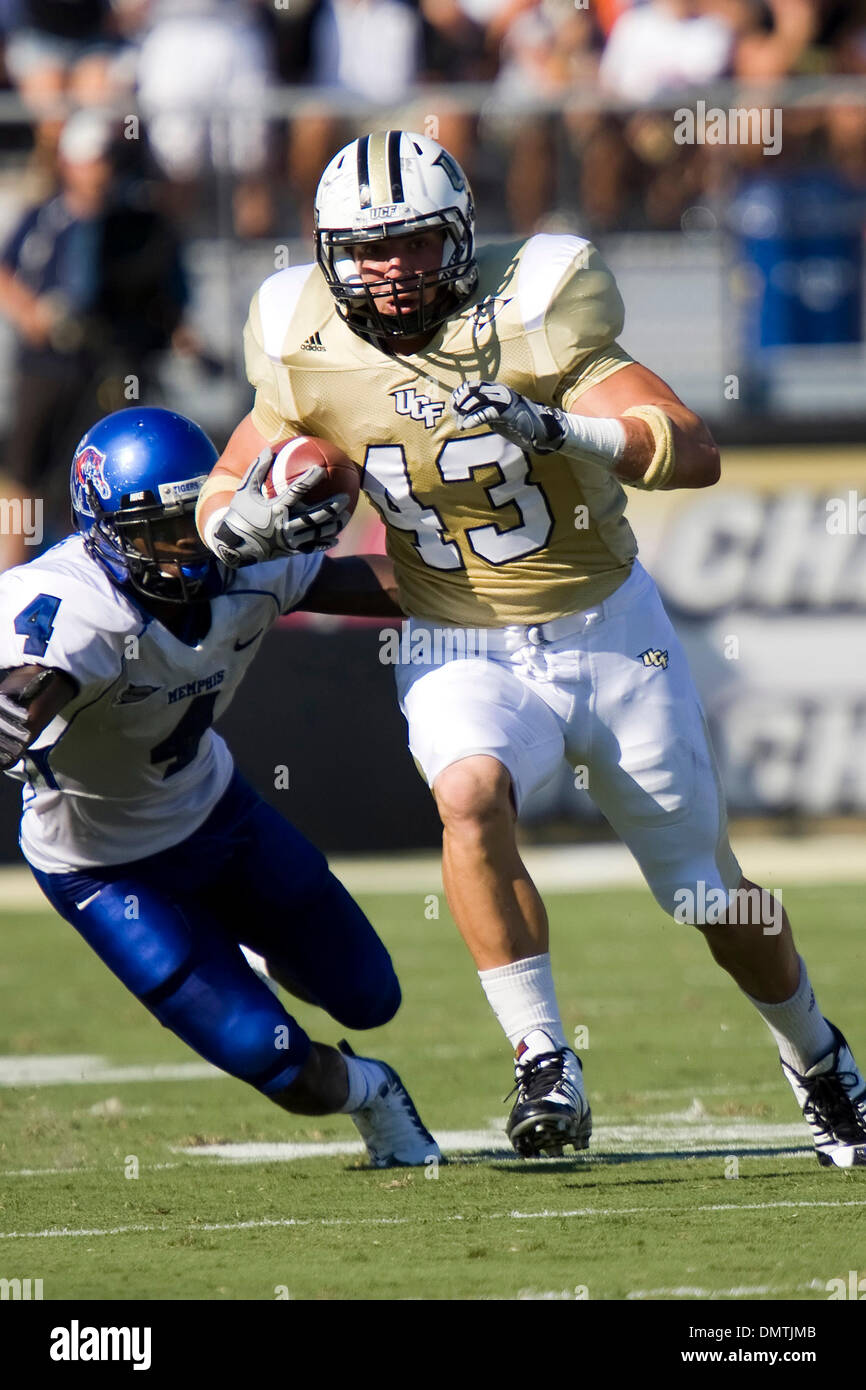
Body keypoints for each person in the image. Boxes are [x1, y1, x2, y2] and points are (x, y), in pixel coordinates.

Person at [195, 131, 866, 1167]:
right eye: (365, 249)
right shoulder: (299, 337)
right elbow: (228, 481)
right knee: (467, 792)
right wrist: (231, 526)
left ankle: (818, 1059)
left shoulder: (534, 309)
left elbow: (690, 448)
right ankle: (543, 1057)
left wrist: (561, 429)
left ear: (457, 239)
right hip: (456, 637)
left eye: (412, 244)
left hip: (607, 635)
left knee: (706, 893)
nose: (388, 269)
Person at [0, 405, 439, 1169]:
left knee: (373, 996)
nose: (184, 545)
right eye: (157, 528)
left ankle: (252, 946)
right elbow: (26, 682)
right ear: (103, 530)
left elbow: (384, 586)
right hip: (103, 869)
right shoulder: (70, 605)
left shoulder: (245, 555)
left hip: (218, 816)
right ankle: (373, 1092)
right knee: (274, 1063)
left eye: (190, 517)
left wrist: (497, 586)